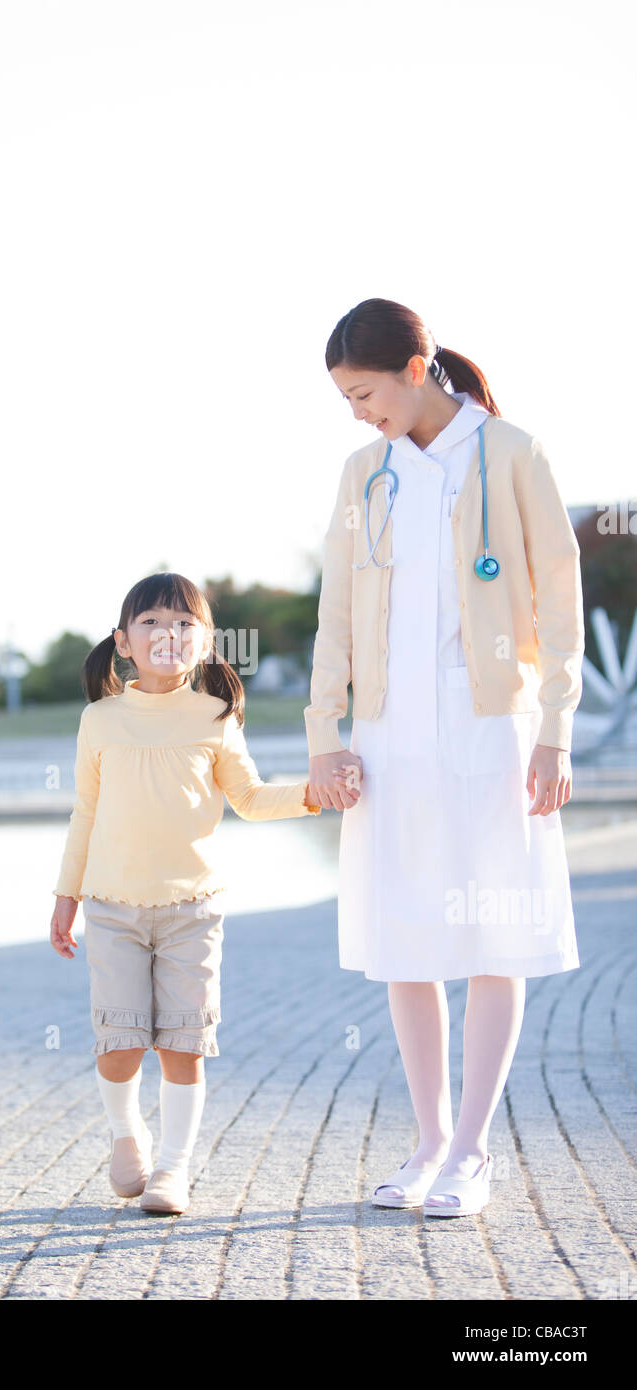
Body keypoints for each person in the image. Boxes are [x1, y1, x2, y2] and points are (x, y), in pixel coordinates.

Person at [304, 298, 584, 1217]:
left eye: (365, 392)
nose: (358, 412)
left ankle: (471, 1152)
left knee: (493, 933)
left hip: (489, 728)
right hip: (388, 737)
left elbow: (560, 603)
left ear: (415, 369)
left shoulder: (510, 454)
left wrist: (553, 730)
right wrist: (326, 737)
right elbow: (337, 617)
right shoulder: (363, 473)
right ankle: (425, 1145)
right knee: (406, 945)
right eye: (346, 399)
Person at [50, 571, 321, 1215]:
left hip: (192, 913)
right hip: (112, 910)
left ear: (203, 642)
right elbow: (84, 814)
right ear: (123, 641)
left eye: (182, 624)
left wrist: (316, 792)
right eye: (151, 622)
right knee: (118, 1047)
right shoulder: (101, 720)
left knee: (181, 1045)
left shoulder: (214, 717)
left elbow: (251, 800)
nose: (166, 634)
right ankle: (126, 1133)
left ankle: (172, 1169)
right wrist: (66, 899)